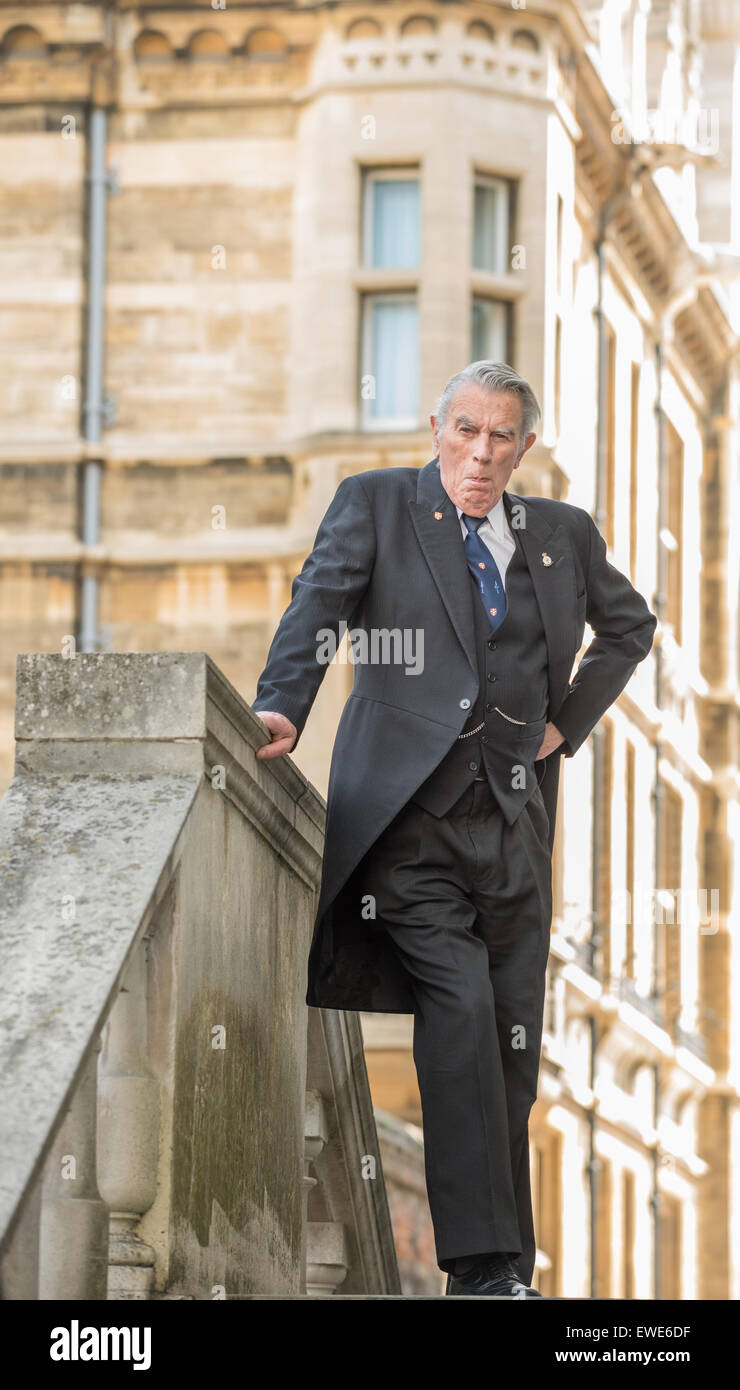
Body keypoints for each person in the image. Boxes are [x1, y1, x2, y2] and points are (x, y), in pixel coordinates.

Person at [252, 360, 657, 1297]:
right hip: (411, 827)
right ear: (437, 429)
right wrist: (281, 707)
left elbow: (629, 628)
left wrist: (567, 722)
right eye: (465, 430)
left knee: (514, 1042)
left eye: (501, 436)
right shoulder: (379, 506)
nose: (480, 452)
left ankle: (504, 1270)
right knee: (463, 1018)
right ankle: (479, 1270)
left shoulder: (562, 535)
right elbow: (317, 609)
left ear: (523, 448)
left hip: (514, 823)